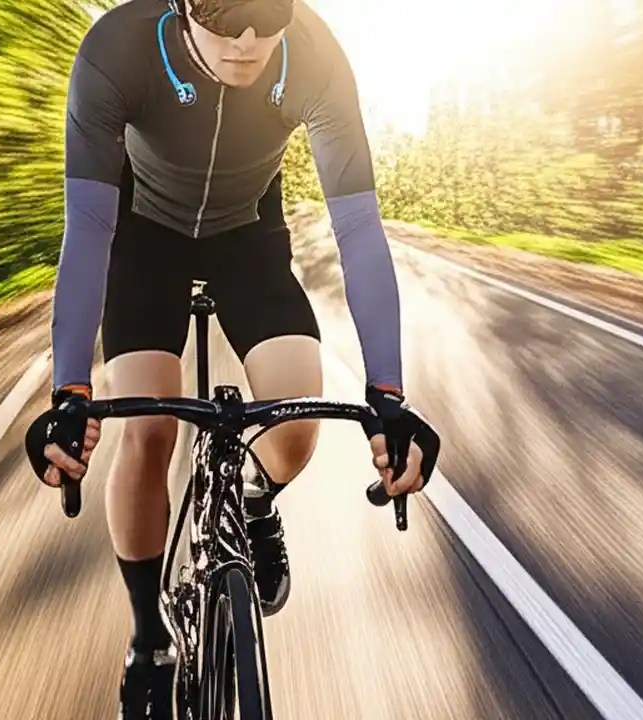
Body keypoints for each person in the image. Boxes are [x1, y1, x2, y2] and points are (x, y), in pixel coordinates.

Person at [32, 0, 429, 717]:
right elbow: (89, 226)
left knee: (296, 419)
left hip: (248, 239)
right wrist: (70, 389)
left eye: (266, 17)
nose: (246, 42)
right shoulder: (116, 48)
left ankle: (252, 501)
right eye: (222, 18)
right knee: (149, 432)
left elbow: (360, 229)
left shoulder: (315, 55)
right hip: (143, 240)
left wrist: (388, 395)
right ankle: (149, 634)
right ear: (183, 5)